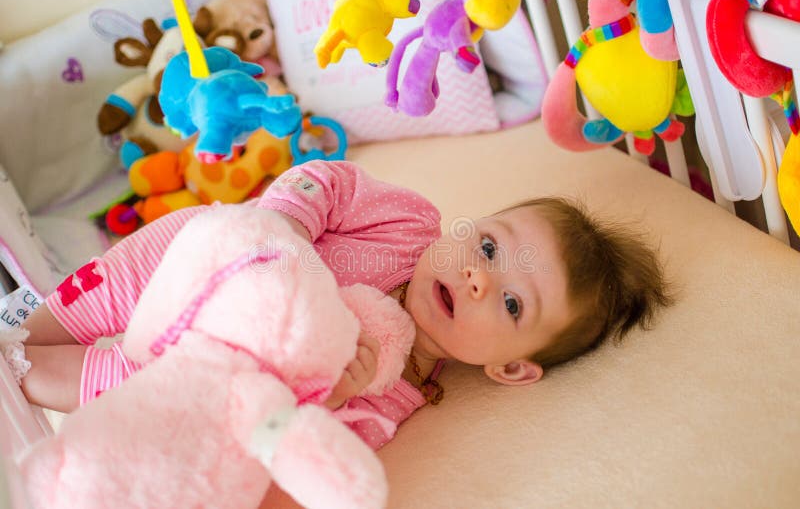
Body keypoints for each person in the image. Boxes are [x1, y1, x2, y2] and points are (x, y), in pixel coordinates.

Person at [6, 159, 671, 450]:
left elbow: (289, 442)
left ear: (513, 367)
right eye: (490, 248)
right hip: (192, 254)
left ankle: (16, 374)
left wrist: (319, 405)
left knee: (159, 392)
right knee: (90, 299)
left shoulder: (395, 394)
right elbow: (324, 178)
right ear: (473, 224)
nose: (476, 278)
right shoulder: (408, 224)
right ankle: (24, 332)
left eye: (513, 306)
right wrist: (289, 225)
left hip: (204, 357)